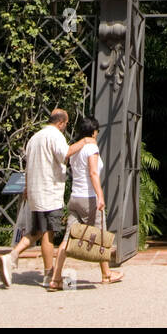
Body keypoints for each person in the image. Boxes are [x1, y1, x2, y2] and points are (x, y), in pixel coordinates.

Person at [0, 109, 91, 288]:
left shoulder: (35, 138)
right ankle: (48, 274)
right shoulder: (55, 136)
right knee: (48, 233)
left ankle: (14, 257)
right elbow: (66, 152)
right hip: (49, 191)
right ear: (61, 123)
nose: (66, 127)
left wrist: (27, 187)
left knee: (37, 232)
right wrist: (85, 141)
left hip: (35, 191)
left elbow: (28, 165)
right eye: (66, 124)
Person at [47, 115, 123, 290]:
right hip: (89, 198)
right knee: (101, 237)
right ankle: (106, 274)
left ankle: (56, 279)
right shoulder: (91, 148)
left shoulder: (75, 150)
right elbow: (93, 173)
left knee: (67, 239)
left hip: (75, 198)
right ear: (94, 132)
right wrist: (100, 196)